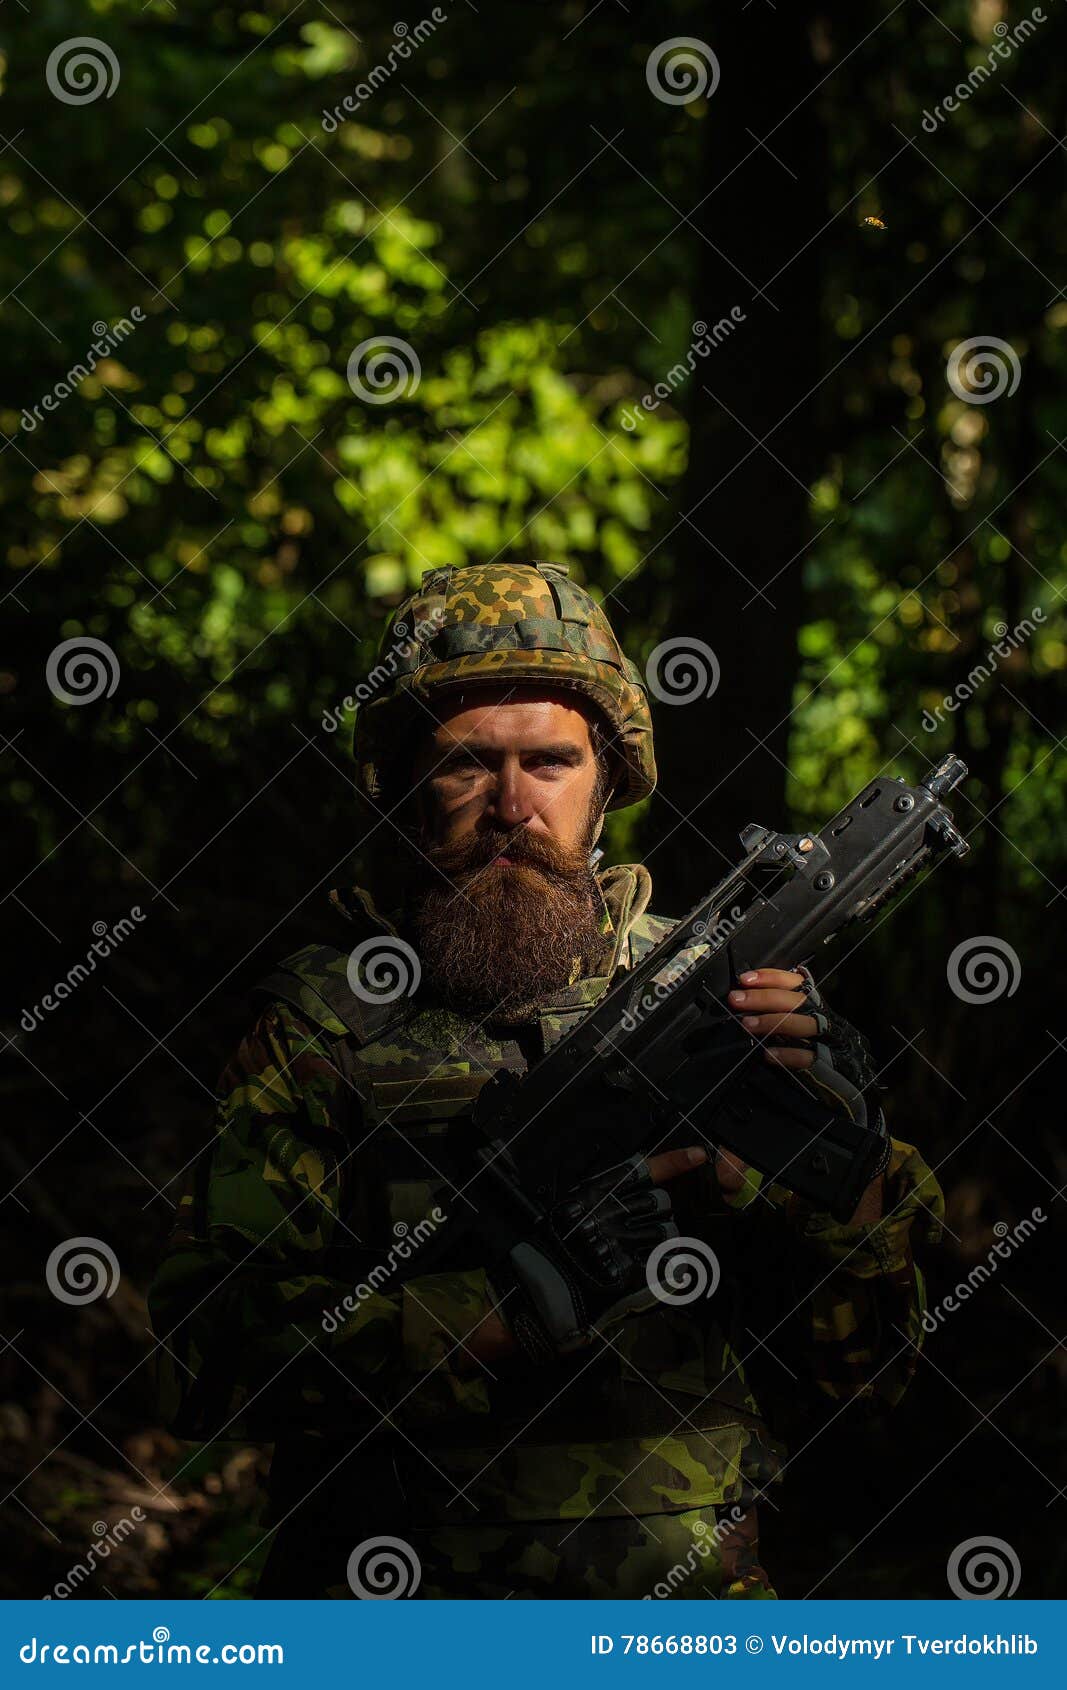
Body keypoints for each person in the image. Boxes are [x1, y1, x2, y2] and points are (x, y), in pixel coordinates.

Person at [149, 561, 944, 1600]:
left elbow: (869, 1377)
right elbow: (202, 1358)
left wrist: (844, 1155)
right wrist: (501, 1309)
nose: (513, 807)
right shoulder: (319, 1030)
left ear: (608, 781)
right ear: (396, 785)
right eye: (466, 765)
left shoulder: (728, 1003)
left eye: (552, 762)